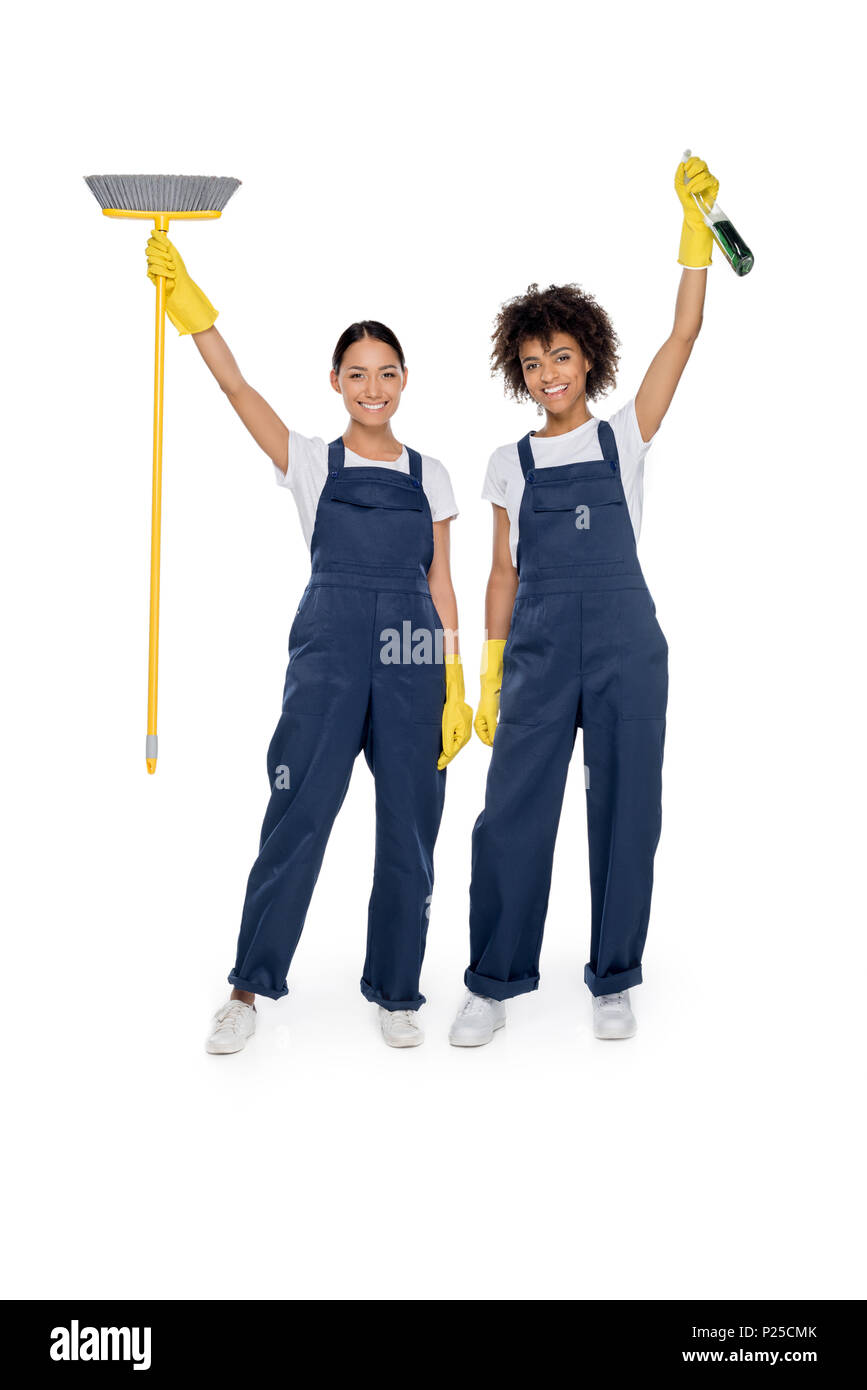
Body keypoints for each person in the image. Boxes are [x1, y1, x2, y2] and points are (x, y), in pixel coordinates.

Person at [144, 234, 472, 1053]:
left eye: (386, 373)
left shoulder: (430, 472)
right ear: (335, 382)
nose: (372, 388)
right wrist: (192, 307)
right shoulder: (308, 462)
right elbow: (234, 386)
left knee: (409, 826)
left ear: (404, 381)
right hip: (326, 654)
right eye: (356, 374)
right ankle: (245, 991)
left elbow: (440, 583)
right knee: (296, 815)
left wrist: (457, 682)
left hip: (411, 659)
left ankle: (397, 991)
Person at [449, 155, 718, 1046]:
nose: (546, 373)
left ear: (589, 359)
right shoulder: (506, 462)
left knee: (626, 808)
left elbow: (681, 336)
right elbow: (500, 573)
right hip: (535, 652)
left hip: (623, 651)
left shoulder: (624, 436)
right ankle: (491, 980)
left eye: (560, 356)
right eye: (531, 363)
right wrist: (489, 673)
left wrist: (693, 235)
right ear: (516, 372)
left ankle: (613, 975)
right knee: (509, 813)